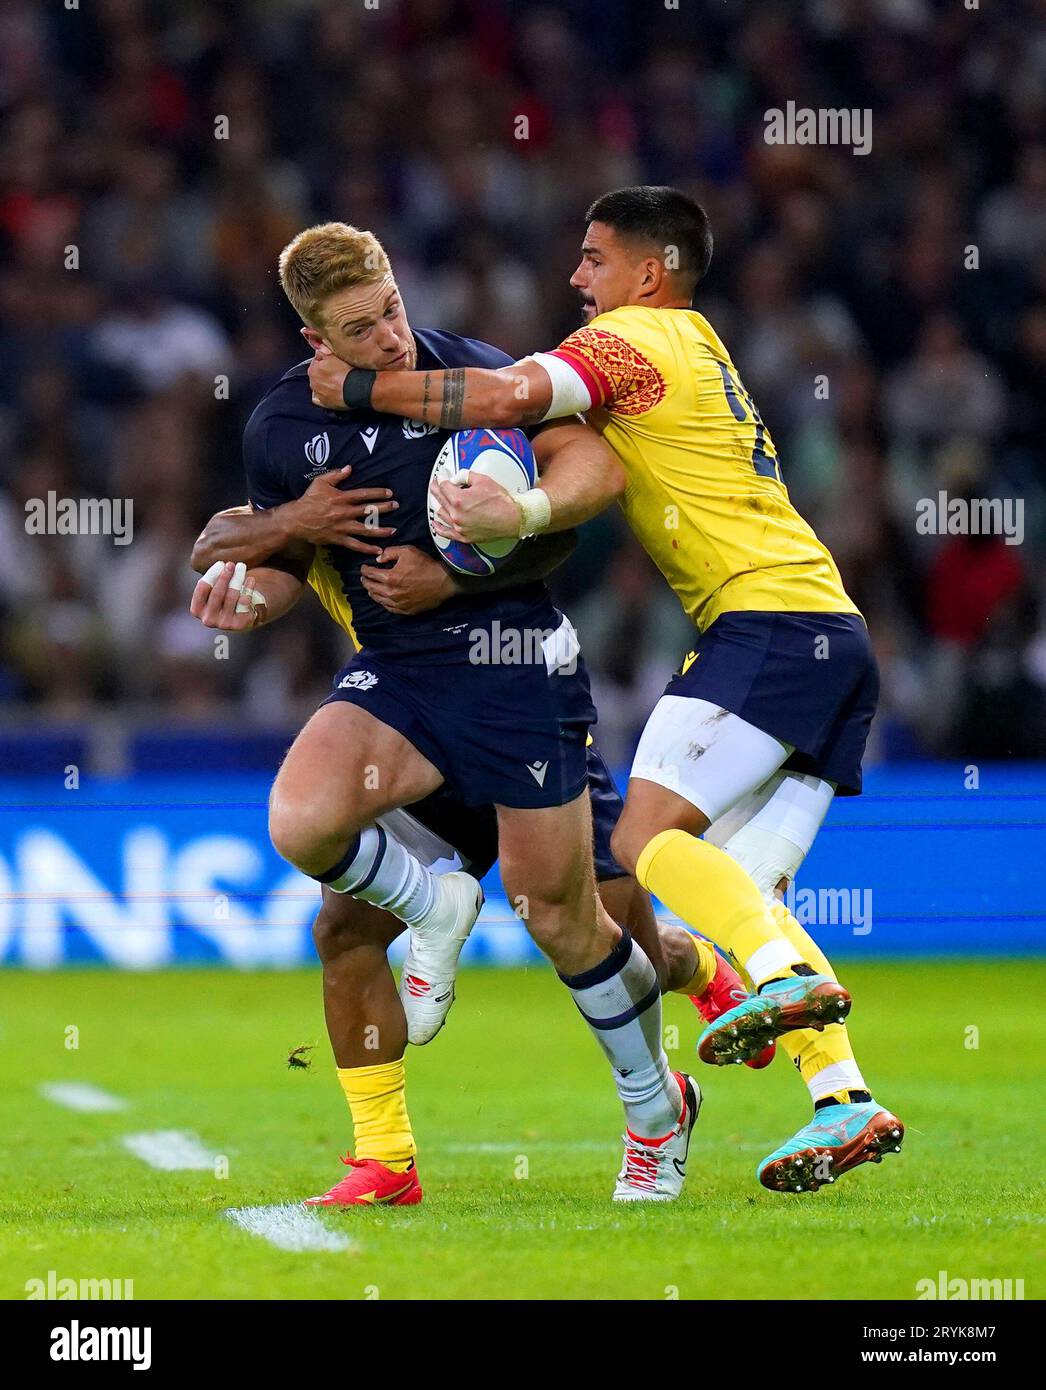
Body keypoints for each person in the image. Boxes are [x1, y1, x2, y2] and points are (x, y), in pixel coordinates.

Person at [307, 189, 904, 1194]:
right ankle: (843, 1100)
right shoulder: (692, 343)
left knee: (639, 841)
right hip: (826, 632)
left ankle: (783, 983)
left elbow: (502, 400)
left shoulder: (633, 337)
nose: (576, 278)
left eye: (592, 258)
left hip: (767, 620)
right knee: (740, 896)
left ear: (648, 268)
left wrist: (362, 392)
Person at [191, 220, 754, 1203]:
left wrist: (474, 560)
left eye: (393, 309)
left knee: (575, 923)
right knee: (324, 878)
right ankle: (385, 1156)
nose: (391, 340)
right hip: (399, 683)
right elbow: (268, 559)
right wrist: (262, 574)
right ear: (312, 339)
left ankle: (660, 1091)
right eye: (360, 331)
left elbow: (588, 482)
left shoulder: (475, 380)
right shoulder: (282, 429)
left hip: (514, 674)